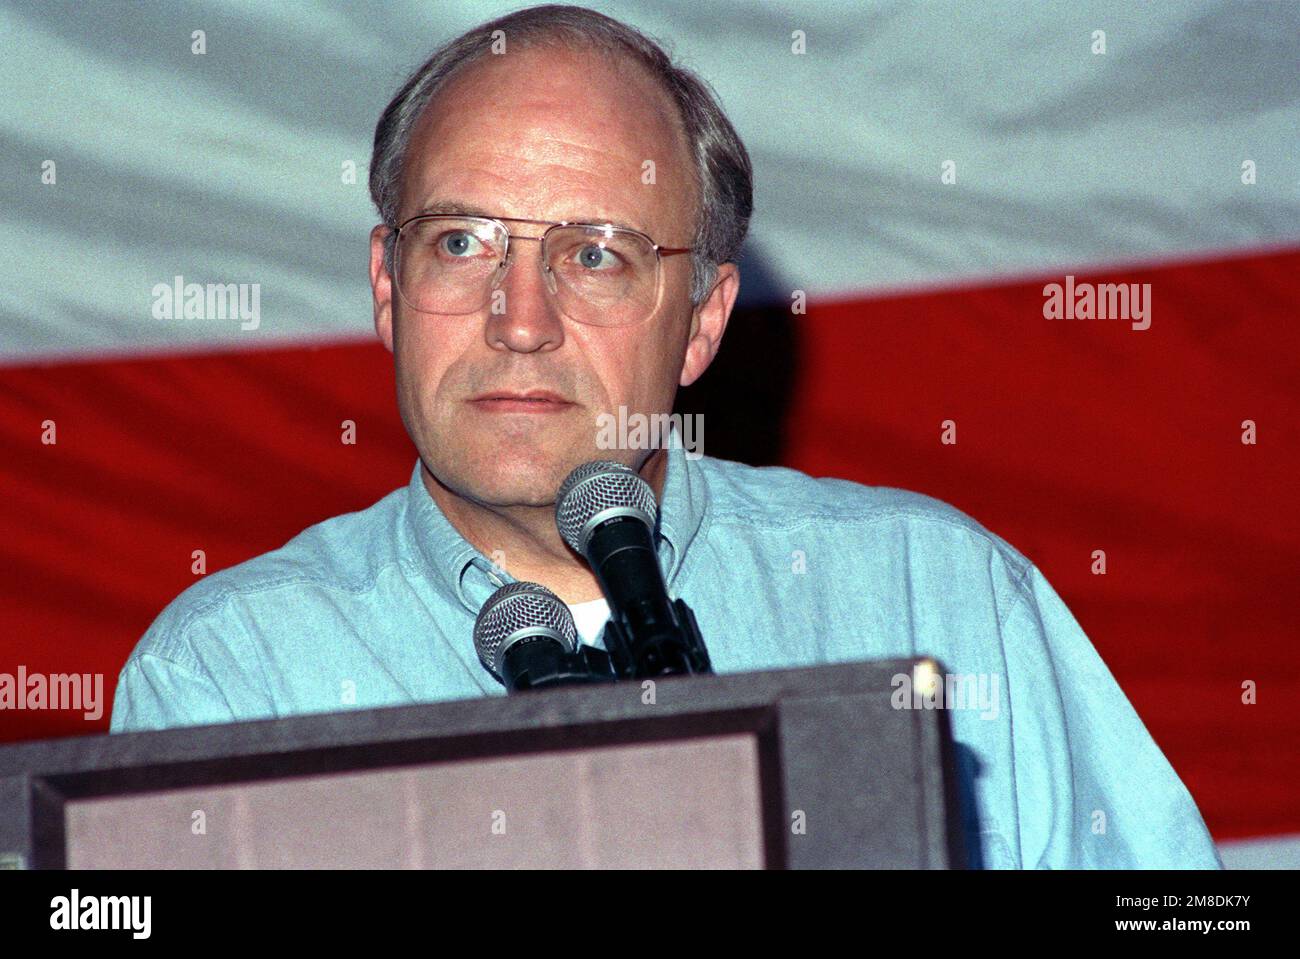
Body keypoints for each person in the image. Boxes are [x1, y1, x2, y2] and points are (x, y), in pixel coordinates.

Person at [110, 3, 1221, 869]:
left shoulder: (939, 594)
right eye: (460, 243)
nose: (520, 318)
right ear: (388, 289)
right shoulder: (228, 675)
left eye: (595, 253)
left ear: (700, 323)